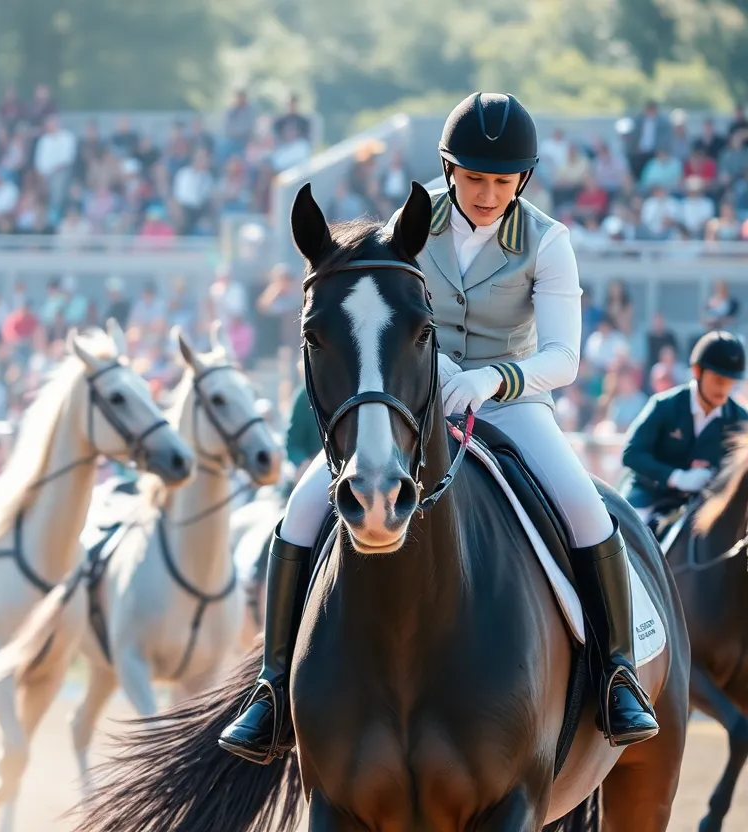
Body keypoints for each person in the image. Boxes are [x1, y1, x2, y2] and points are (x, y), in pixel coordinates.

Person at [219, 92, 660, 765]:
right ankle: (273, 687)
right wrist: (434, 373)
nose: (487, 194)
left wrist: (487, 381)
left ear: (523, 180)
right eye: (474, 178)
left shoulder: (549, 241)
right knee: (303, 509)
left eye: (502, 182)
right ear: (450, 169)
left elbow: (563, 358)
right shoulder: (410, 223)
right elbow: (380, 313)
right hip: (415, 398)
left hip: (510, 400)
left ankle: (618, 674)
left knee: (584, 506)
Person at [622, 331, 747, 531]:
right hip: (651, 495)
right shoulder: (664, 405)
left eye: (730, 381)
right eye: (718, 379)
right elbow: (631, 454)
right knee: (629, 535)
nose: (724, 388)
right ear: (697, 371)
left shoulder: (740, 420)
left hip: (705, 502)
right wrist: (676, 477)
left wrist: (713, 475)